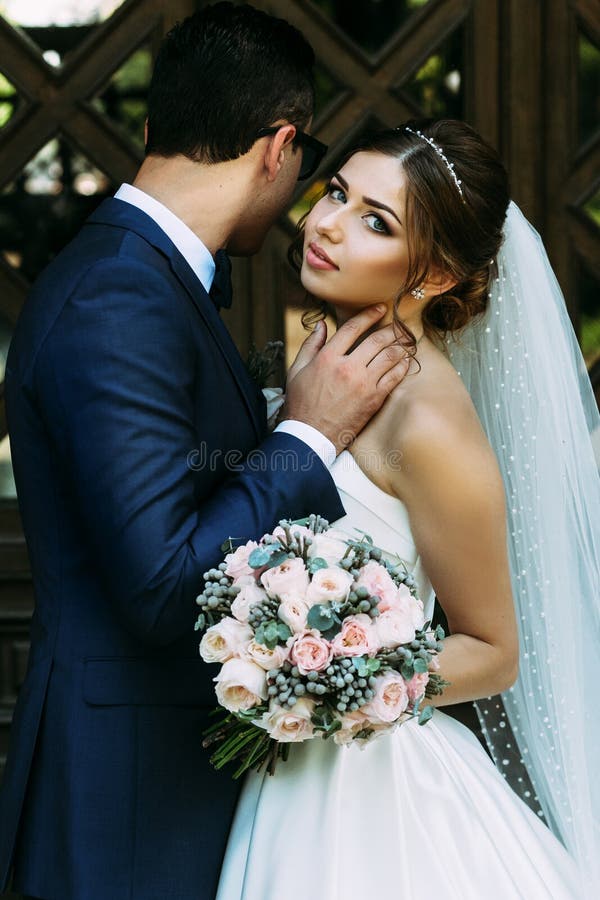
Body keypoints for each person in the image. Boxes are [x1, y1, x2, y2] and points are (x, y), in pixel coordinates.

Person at [0, 5, 411, 899]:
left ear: (155, 128)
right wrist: (309, 433)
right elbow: (161, 583)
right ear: (280, 147)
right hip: (126, 808)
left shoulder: (144, 278)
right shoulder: (120, 297)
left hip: (168, 790)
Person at [216, 120, 600, 899]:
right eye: (336, 193)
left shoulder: (428, 421)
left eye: (376, 221)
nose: (328, 224)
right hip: (286, 774)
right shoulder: (322, 359)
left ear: (437, 274)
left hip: (377, 797)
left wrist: (336, 675)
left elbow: (493, 651)